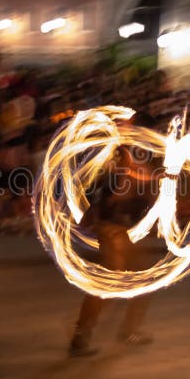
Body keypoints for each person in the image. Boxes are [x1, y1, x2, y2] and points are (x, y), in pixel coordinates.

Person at [69, 121, 158, 357]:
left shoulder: (123, 158)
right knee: (108, 284)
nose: (130, 129)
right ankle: (80, 336)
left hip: (121, 230)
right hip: (113, 230)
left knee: (143, 280)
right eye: (124, 127)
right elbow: (117, 194)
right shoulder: (120, 159)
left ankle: (128, 331)